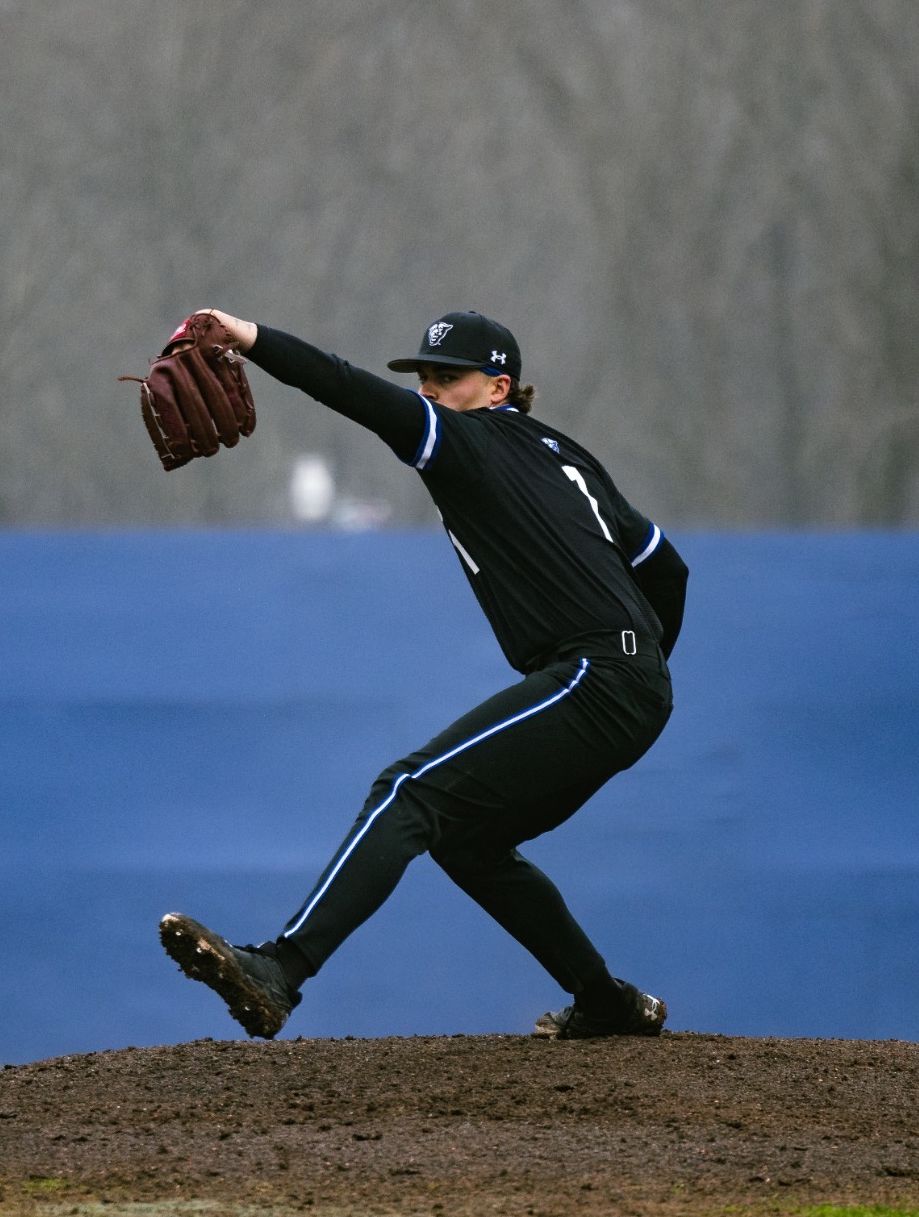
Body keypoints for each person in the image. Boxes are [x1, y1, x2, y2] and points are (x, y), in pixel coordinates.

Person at [159, 309, 689, 1041]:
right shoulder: (568, 456)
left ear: (498, 387)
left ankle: (280, 968)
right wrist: (646, 668)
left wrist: (251, 337)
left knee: (408, 791)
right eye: (426, 378)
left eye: (449, 377)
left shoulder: (467, 442)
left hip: (595, 674)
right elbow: (666, 566)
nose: (432, 391)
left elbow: (351, 390)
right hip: (628, 682)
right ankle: (603, 1001)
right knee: (465, 838)